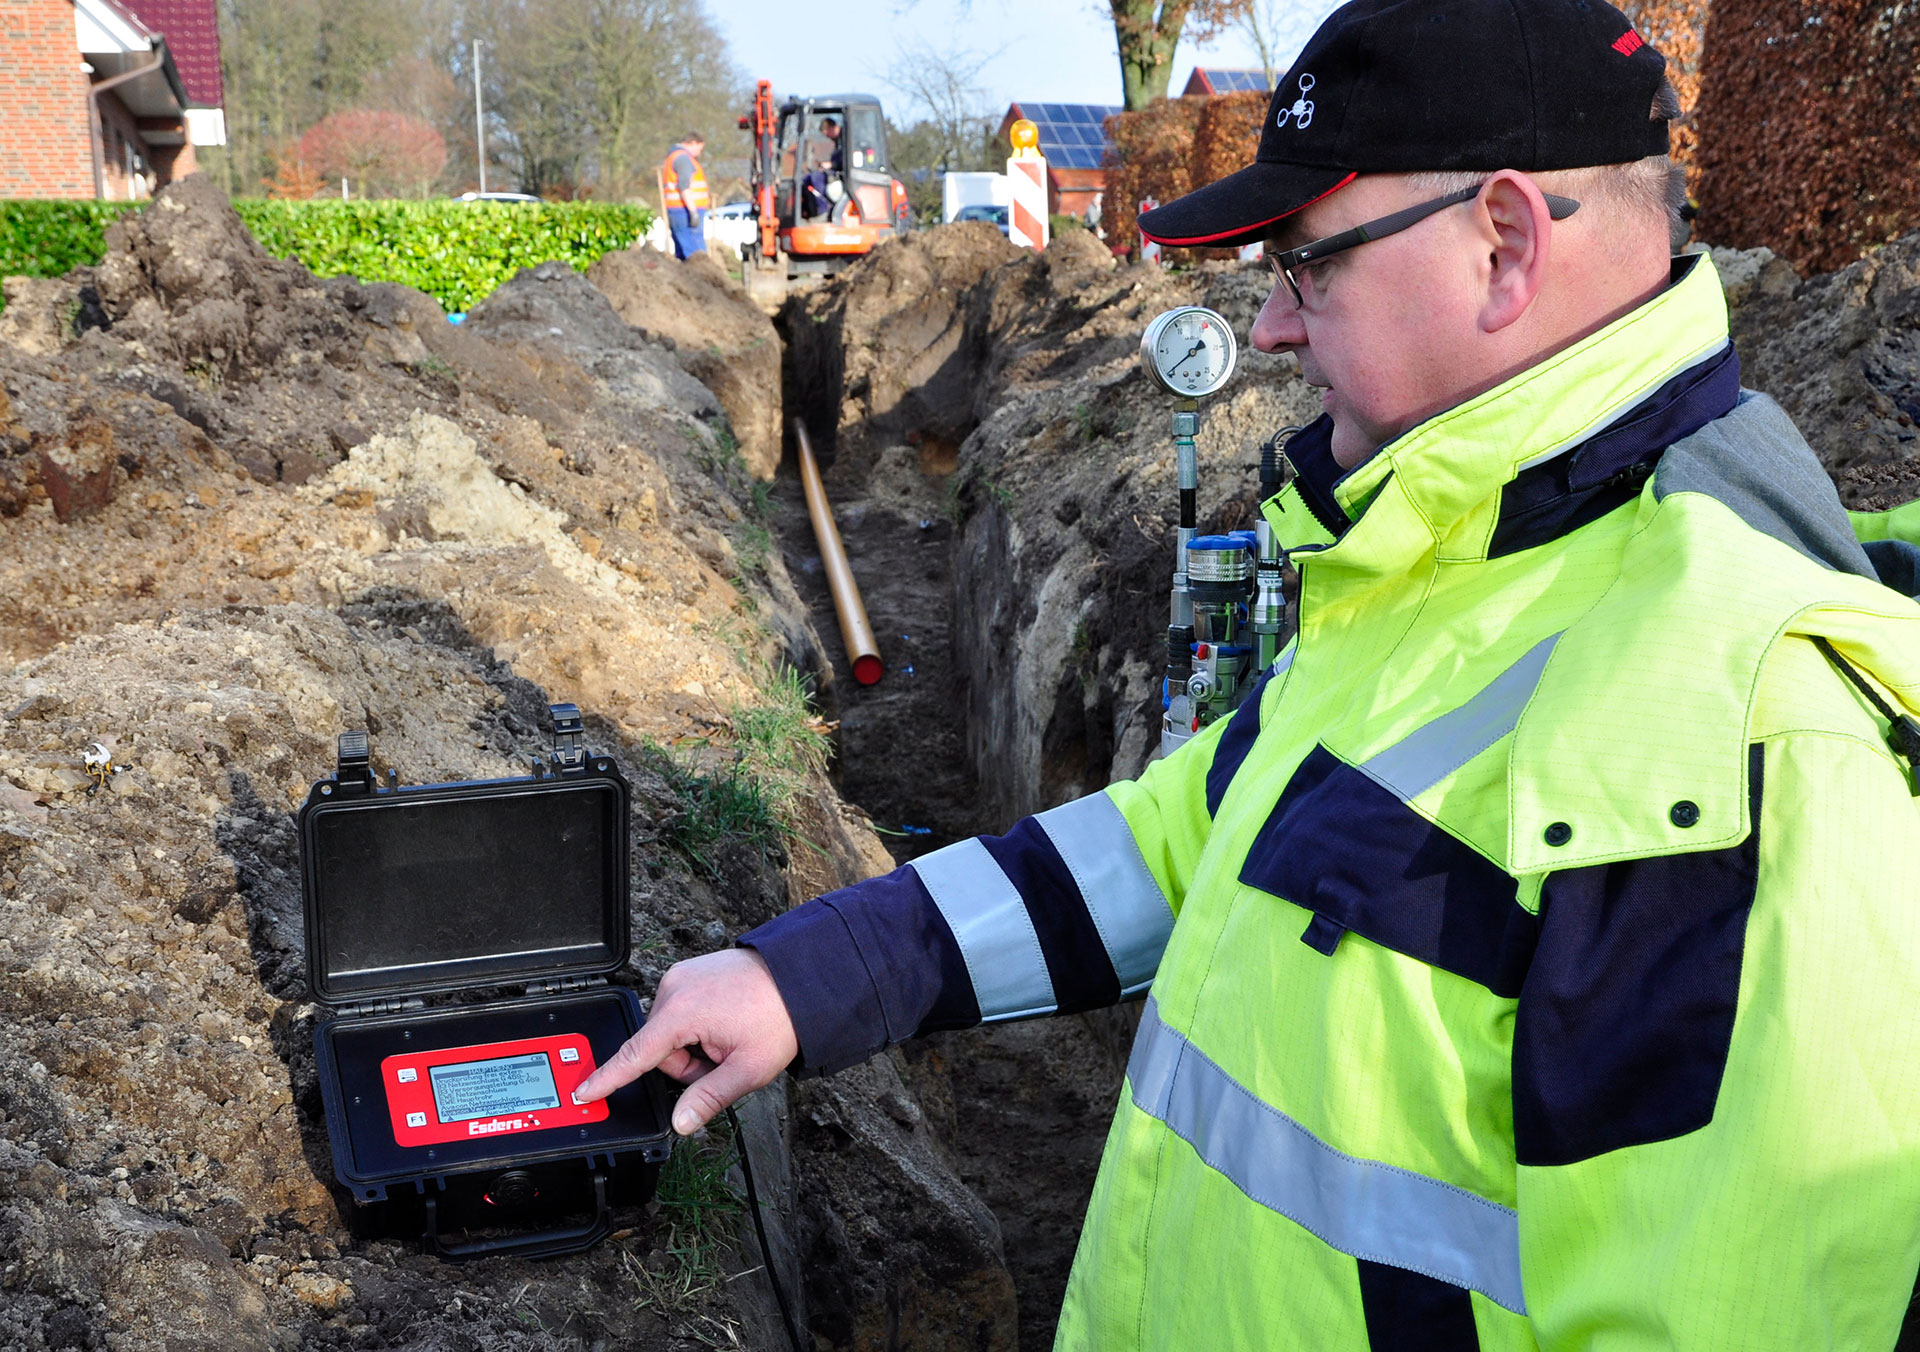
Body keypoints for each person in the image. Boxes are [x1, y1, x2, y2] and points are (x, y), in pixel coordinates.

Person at [582, 0, 1920, 1345]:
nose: (1272, 329)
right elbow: (1189, 841)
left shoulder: (1735, 740)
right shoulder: (1458, 564)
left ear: (1504, 244)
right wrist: (814, 975)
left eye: (1305, 266)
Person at [660, 132, 709, 260]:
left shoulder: (674, 157)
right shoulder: (683, 159)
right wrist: (693, 212)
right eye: (699, 149)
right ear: (693, 143)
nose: (699, 153)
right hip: (684, 211)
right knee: (696, 255)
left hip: (677, 210)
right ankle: (699, 279)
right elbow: (684, 187)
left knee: (683, 254)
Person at [801, 116, 842, 220]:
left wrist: (831, 165)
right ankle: (809, 212)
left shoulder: (846, 138)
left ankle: (823, 210)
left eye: (827, 134)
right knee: (806, 179)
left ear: (831, 128)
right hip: (835, 170)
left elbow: (846, 159)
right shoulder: (838, 141)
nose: (828, 137)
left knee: (816, 178)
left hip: (842, 174)